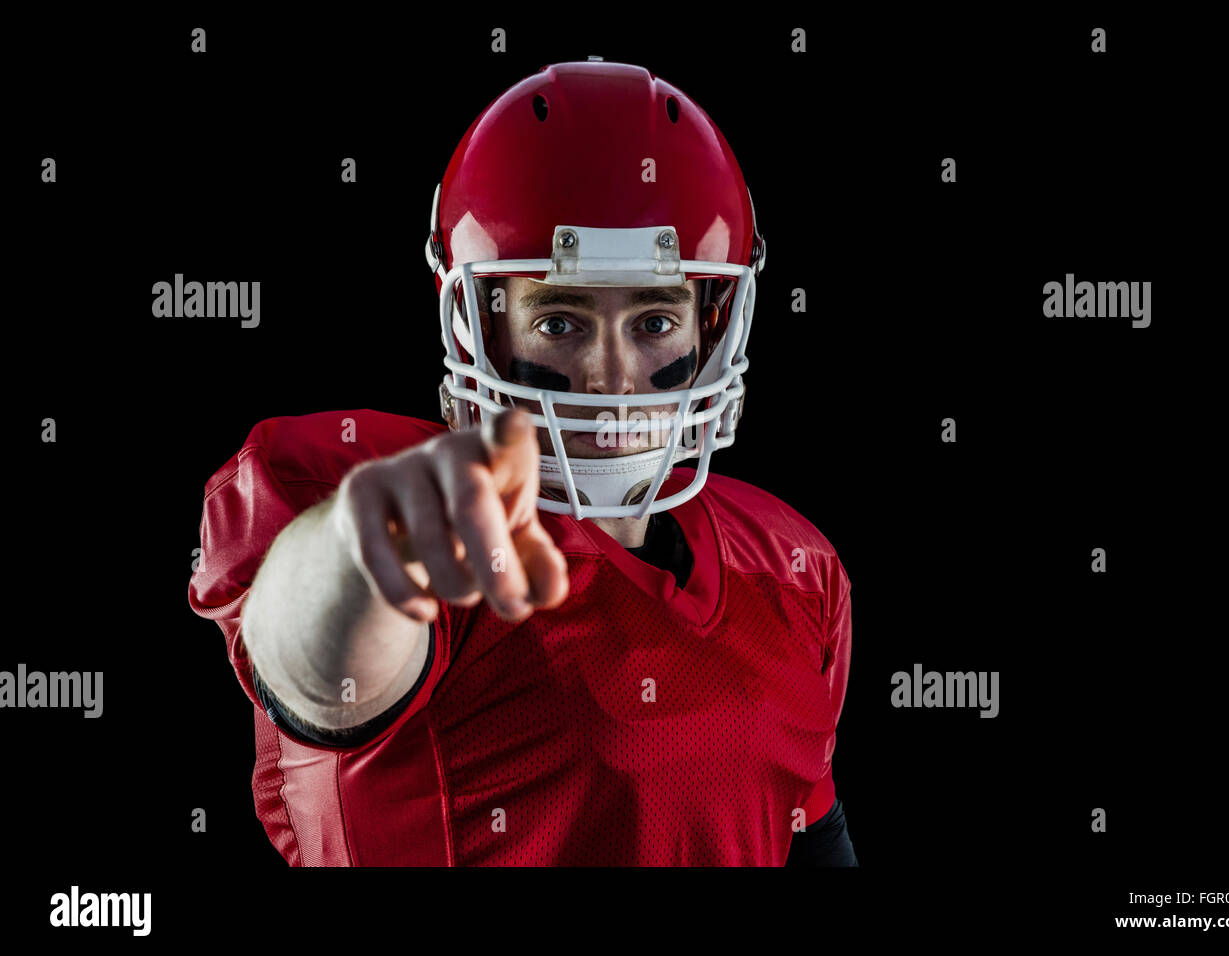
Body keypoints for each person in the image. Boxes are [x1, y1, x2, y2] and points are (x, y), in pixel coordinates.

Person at [189, 59, 855, 866]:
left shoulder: (791, 569)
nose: (611, 374)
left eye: (653, 321)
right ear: (480, 327)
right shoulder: (427, 524)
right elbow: (319, 669)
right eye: (560, 322)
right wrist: (362, 554)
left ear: (711, 328)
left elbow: (809, 835)